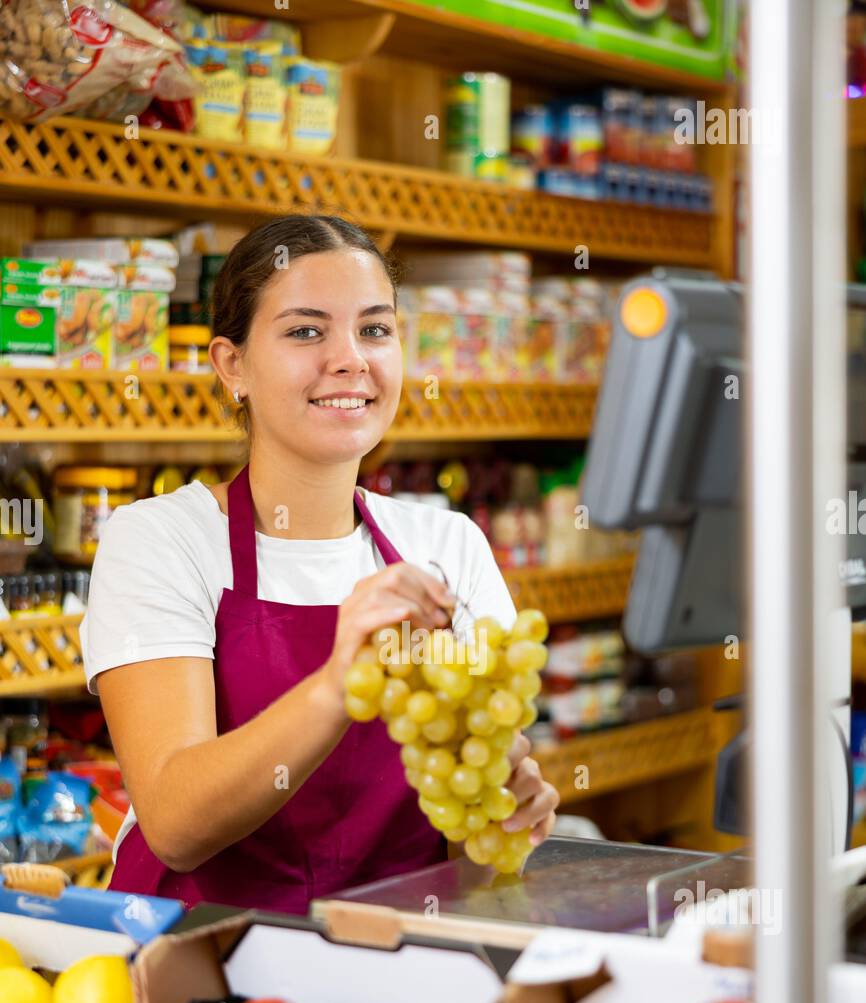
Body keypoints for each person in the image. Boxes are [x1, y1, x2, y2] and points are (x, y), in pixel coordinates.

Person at [82, 214, 559, 912]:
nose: (350, 359)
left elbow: (469, 845)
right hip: (200, 972)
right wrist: (338, 685)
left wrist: (504, 814)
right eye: (306, 330)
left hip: (391, 964)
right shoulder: (160, 539)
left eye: (374, 329)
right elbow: (176, 825)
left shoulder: (449, 547)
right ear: (231, 366)